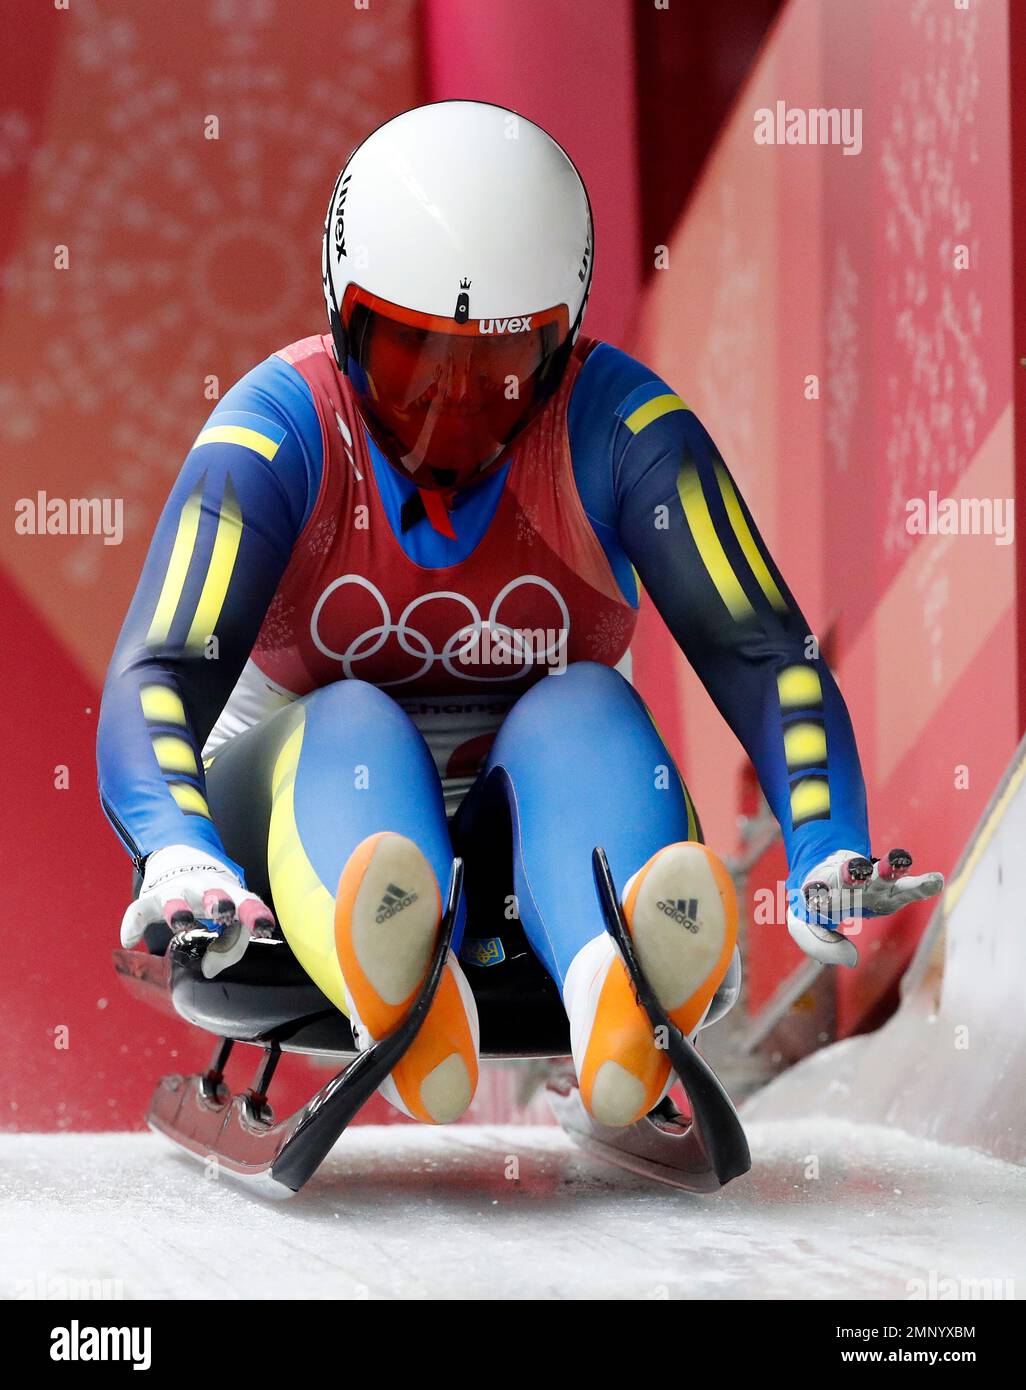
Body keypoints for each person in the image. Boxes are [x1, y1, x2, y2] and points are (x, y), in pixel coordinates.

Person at [98, 101, 942, 1130]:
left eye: (497, 370)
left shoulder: (630, 434)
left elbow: (762, 649)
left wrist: (826, 847)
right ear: (341, 316)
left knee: (583, 698)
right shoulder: (272, 440)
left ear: (560, 345)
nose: (450, 408)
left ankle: (606, 991)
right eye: (410, 357)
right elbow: (158, 673)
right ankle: (413, 985)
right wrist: (178, 849)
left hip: (534, 860)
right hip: (285, 863)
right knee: (355, 716)